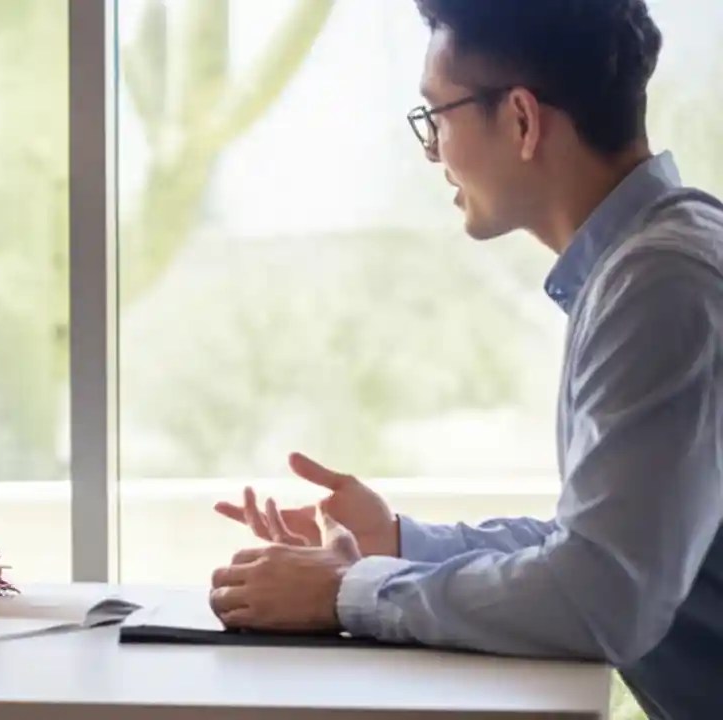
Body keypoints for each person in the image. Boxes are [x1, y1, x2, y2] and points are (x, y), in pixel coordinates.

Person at [210, 2, 723, 718]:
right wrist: (392, 542)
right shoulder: (655, 262)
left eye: (437, 116)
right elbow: (605, 542)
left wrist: (345, 593)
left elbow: (604, 596)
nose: (431, 151)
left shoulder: (660, 284)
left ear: (520, 120)